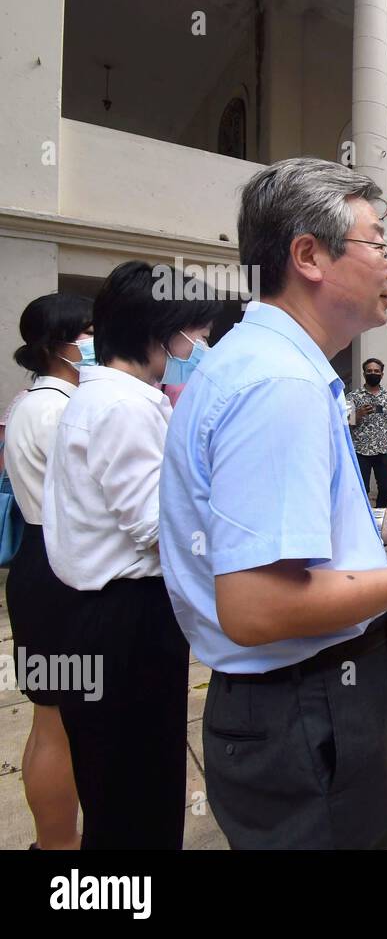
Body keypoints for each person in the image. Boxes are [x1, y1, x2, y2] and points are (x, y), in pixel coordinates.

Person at [160, 160, 387, 848]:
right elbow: (258, 607)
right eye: (380, 245)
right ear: (309, 255)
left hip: (301, 698)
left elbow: (263, 525)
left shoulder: (265, 362)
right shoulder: (276, 383)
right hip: (306, 705)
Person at [45, 261, 220, 849]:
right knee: (136, 793)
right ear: (159, 331)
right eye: (194, 334)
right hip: (125, 621)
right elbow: (153, 524)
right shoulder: (125, 406)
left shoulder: (110, 396)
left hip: (104, 614)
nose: (199, 346)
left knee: (120, 788)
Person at [5, 291, 93, 850]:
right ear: (59, 343)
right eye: (87, 331)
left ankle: (53, 843)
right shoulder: (63, 409)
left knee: (49, 717)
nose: (94, 342)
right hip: (60, 565)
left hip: (37, 562)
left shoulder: (25, 404)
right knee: (60, 723)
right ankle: (60, 847)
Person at [349, 357, 387, 509]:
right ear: (364, 374)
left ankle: (379, 511)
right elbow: (346, 423)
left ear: (382, 374)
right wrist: (359, 414)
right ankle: (363, 516)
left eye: (376, 371)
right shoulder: (353, 397)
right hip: (361, 451)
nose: (372, 373)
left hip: (384, 450)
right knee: (362, 489)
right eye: (369, 371)